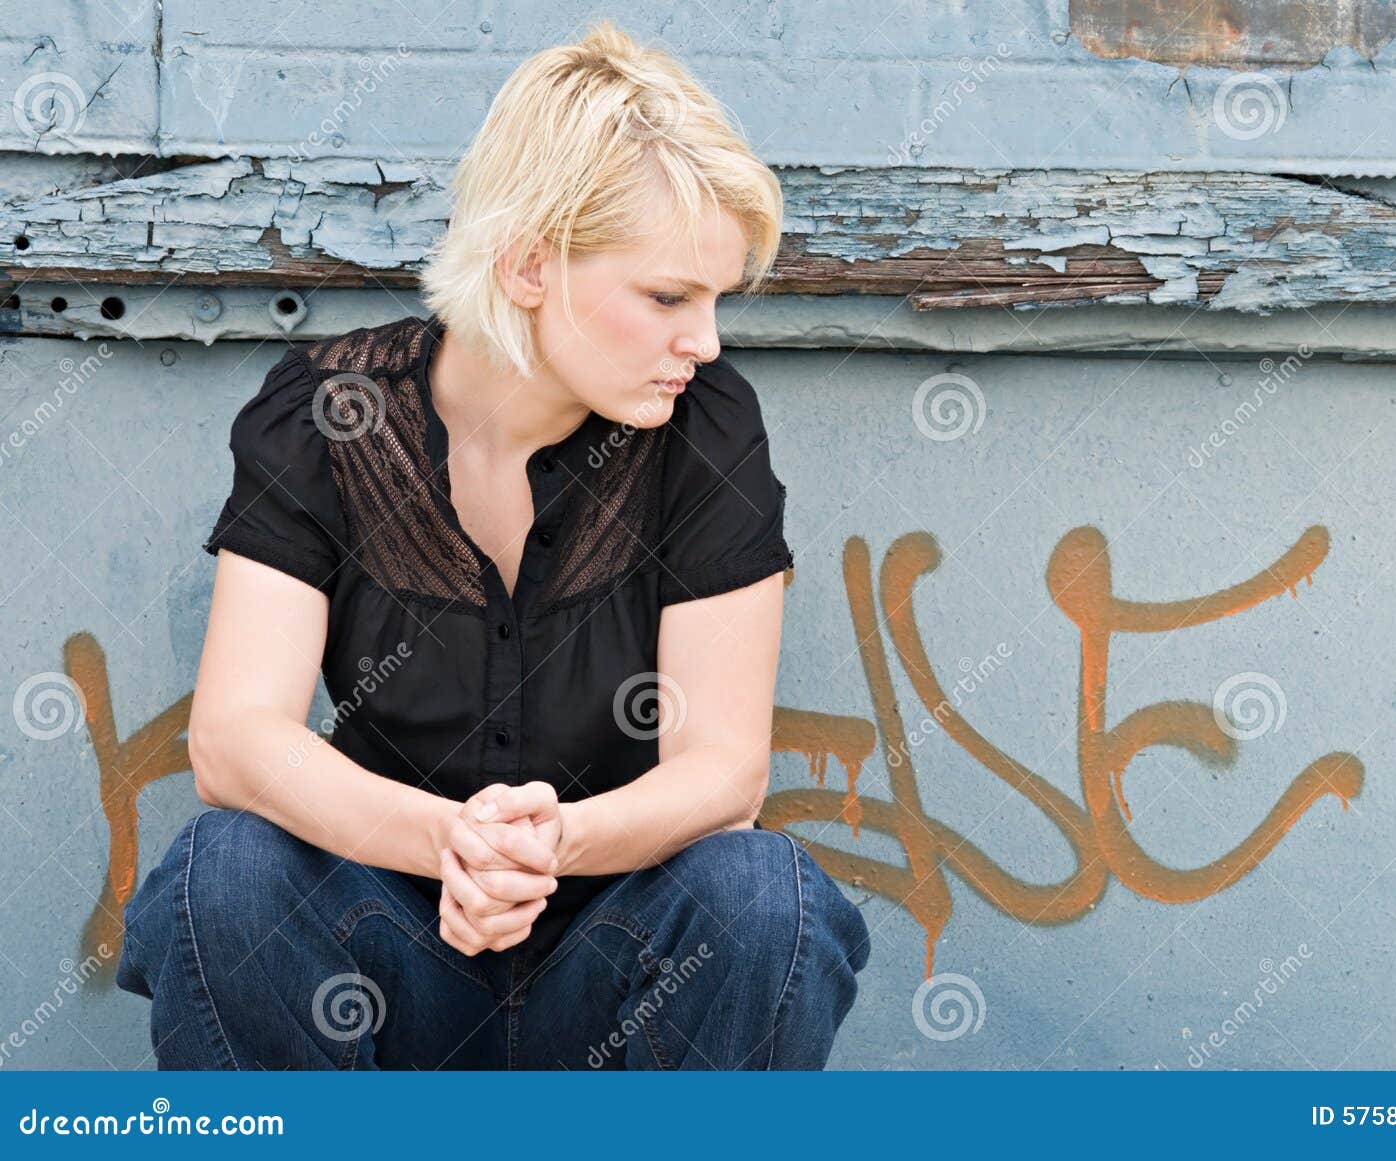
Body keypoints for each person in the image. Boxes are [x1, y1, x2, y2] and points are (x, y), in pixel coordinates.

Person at [114, 20, 870, 1071]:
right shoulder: (332, 416)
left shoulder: (705, 426)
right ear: (526, 265)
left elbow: (724, 771)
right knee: (225, 873)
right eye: (667, 296)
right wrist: (450, 844)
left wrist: (549, 845)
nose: (703, 341)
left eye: (713, 300)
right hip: (384, 966)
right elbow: (235, 740)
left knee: (764, 896)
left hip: (616, 975)